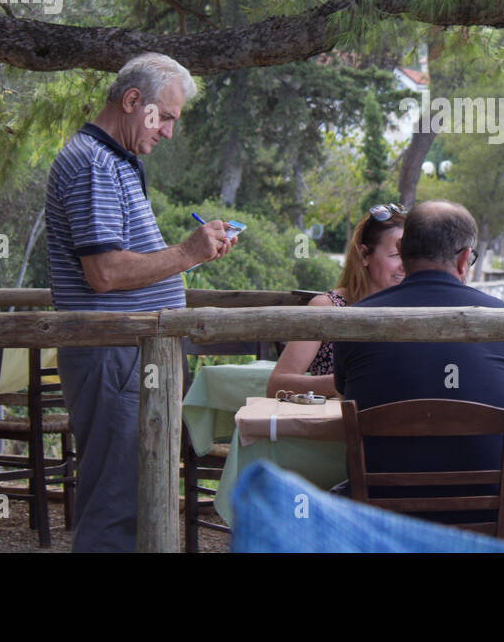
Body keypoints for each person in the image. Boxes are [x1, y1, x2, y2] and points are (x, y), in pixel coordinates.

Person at [46, 53, 234, 552]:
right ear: (133, 101)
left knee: (127, 495)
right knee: (118, 504)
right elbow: (104, 272)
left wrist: (188, 257)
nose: (169, 132)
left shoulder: (111, 161)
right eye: (165, 117)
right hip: (115, 354)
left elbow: (121, 264)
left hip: (125, 357)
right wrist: (187, 252)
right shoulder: (94, 163)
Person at [333, 200, 504, 540]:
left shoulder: (355, 321)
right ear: (463, 259)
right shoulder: (500, 317)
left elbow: (346, 401)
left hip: (381, 524)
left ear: (401, 248)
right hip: (491, 524)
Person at [265, 204, 406, 399]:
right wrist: (347, 381)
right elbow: (277, 385)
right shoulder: (327, 307)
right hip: (335, 426)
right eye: (396, 255)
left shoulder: (414, 308)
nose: (405, 265)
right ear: (364, 255)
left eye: (410, 255)